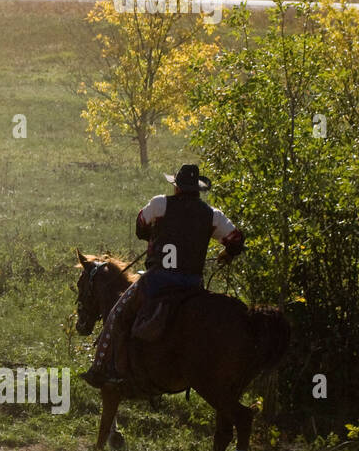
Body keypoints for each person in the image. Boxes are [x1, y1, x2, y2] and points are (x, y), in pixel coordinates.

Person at [81, 163, 244, 388]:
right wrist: (227, 253)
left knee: (117, 313)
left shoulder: (160, 204)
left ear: (176, 186)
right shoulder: (212, 215)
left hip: (157, 281)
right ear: (198, 190)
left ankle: (101, 367)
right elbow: (236, 239)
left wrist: (154, 235)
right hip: (191, 285)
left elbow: (140, 226)